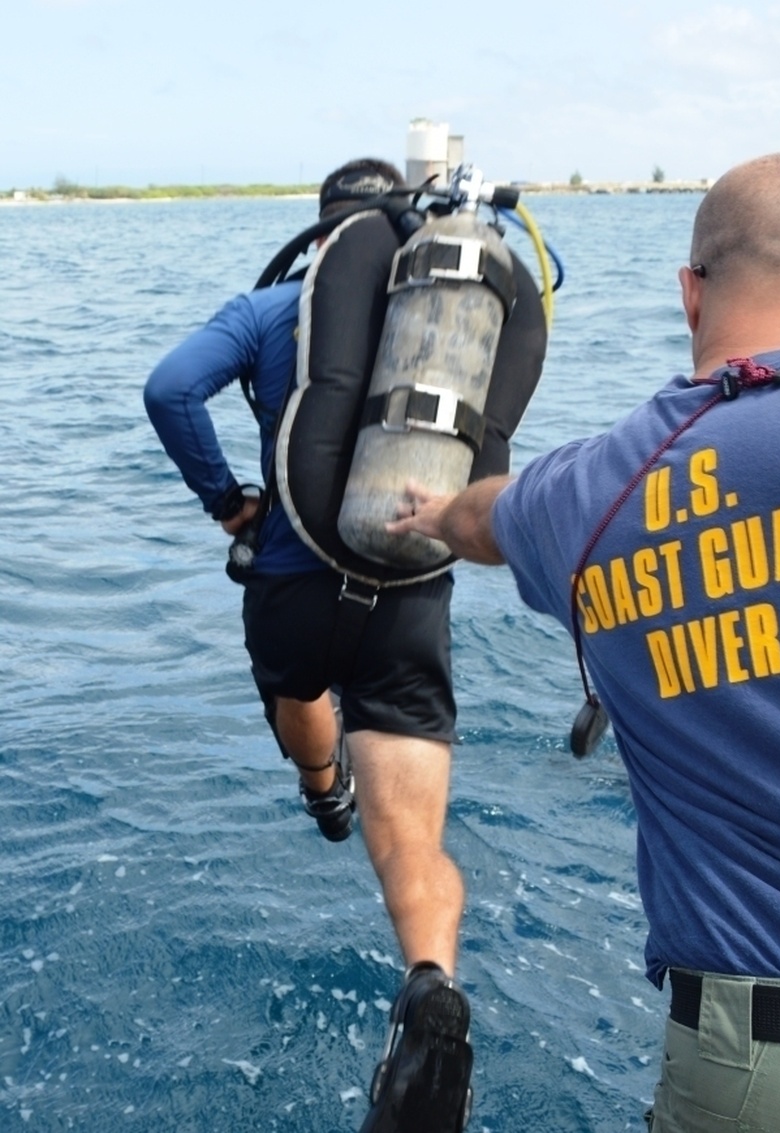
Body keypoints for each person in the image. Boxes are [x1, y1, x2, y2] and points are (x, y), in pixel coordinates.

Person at [387, 152, 780, 1132]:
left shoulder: (588, 493)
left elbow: (481, 519)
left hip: (744, 1071)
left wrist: (425, 510)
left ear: (687, 291)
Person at [144, 156, 547, 1132]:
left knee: (296, 688)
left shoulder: (271, 306)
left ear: (322, 232)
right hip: (410, 590)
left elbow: (169, 389)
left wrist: (228, 500)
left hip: (290, 581)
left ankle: (324, 788)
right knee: (412, 840)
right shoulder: (446, 315)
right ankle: (432, 986)